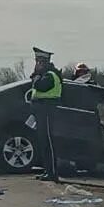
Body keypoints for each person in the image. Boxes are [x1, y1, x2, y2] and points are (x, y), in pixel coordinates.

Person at [29, 46, 63, 181]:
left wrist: (36, 76)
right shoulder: (45, 74)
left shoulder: (51, 75)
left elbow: (40, 86)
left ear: (44, 62)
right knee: (43, 143)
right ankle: (47, 171)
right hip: (42, 113)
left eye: (38, 62)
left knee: (49, 144)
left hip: (48, 113)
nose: (36, 65)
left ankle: (52, 173)